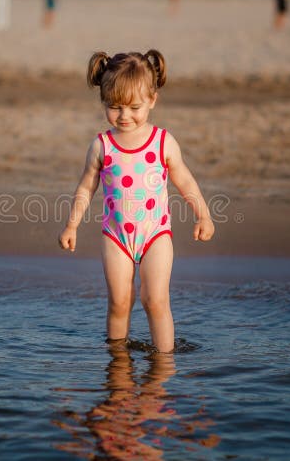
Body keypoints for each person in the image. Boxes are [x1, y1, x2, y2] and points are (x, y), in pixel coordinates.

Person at [57, 50, 215, 353]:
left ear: (152, 99)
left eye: (134, 107)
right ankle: (117, 361)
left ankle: (164, 361)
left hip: (155, 233)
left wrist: (203, 215)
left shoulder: (162, 142)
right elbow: (86, 186)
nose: (124, 115)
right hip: (116, 236)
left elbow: (185, 180)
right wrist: (71, 225)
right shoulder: (101, 145)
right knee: (119, 301)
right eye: (114, 107)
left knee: (155, 300)